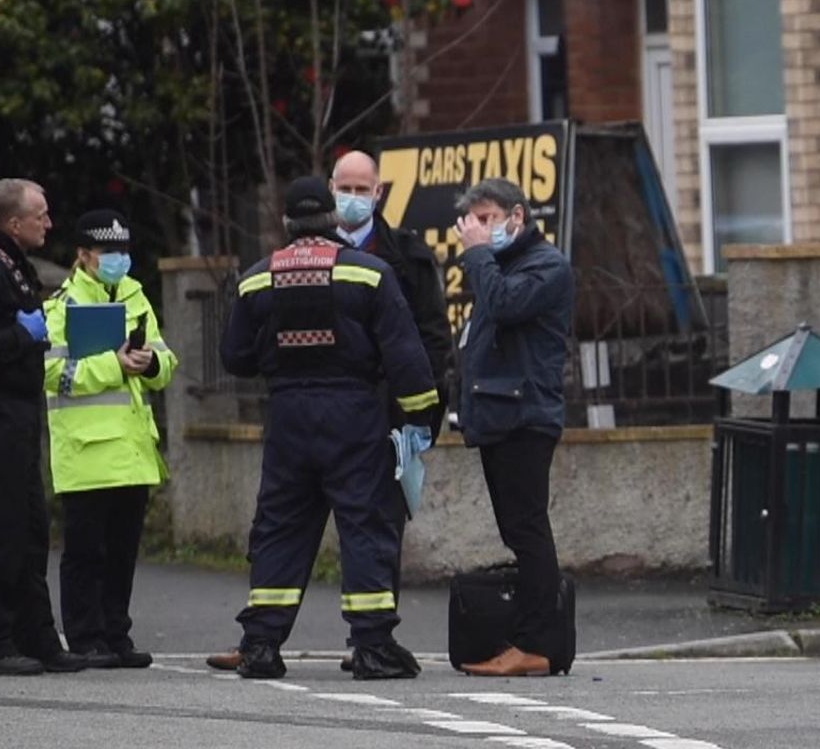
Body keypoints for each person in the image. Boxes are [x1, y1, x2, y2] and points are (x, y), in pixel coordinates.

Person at [216, 176, 441, 680]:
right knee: (365, 524)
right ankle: (373, 646)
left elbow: (234, 358)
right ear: (335, 218)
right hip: (354, 415)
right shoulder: (370, 274)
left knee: (280, 527)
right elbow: (407, 356)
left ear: (287, 222)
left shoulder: (256, 279)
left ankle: (260, 645)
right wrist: (421, 417)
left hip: (290, 420)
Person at [331, 148, 454, 670]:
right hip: (323, 414)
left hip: (384, 415)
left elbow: (432, 341)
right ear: (330, 187)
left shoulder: (408, 255)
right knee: (291, 526)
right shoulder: (306, 255)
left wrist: (423, 419)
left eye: (364, 190)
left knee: (380, 528)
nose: (354, 199)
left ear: (379, 193)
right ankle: (262, 639)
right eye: (346, 188)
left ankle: (373, 639)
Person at [0, 180, 85, 675]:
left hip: (15, 412)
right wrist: (22, 334)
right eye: (41, 215)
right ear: (14, 222)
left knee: (31, 529)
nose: (48, 223)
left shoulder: (11, 266)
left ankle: (35, 636)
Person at [42, 209, 177, 669]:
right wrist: (112, 366)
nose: (119, 259)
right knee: (86, 552)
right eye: (108, 252)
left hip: (132, 450)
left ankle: (116, 633)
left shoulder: (136, 295)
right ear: (84, 256)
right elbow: (52, 374)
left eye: (123, 251)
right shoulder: (62, 306)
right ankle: (84, 637)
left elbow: (164, 359)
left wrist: (150, 365)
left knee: (121, 550)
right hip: (86, 451)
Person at [451, 177, 575, 678]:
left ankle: (537, 643)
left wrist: (478, 255)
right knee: (516, 528)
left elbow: (505, 305)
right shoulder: (500, 267)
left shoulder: (548, 266)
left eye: (488, 218)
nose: (478, 229)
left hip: (527, 417)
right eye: (473, 220)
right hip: (500, 416)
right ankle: (528, 638)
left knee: (527, 528)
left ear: (517, 216)